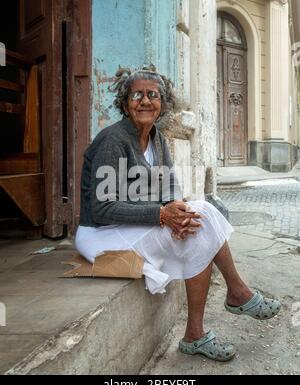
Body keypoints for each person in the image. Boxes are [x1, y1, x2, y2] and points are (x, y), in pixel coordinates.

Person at [75, 65, 281, 362]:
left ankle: (212, 317)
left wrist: (177, 209)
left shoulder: (157, 138)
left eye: (152, 95)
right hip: (100, 234)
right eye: (137, 95)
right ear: (124, 103)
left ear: (162, 104)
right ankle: (229, 301)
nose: (145, 101)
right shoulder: (113, 140)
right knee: (202, 219)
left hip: (133, 223)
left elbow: (169, 183)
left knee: (197, 218)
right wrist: (162, 215)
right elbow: (102, 208)